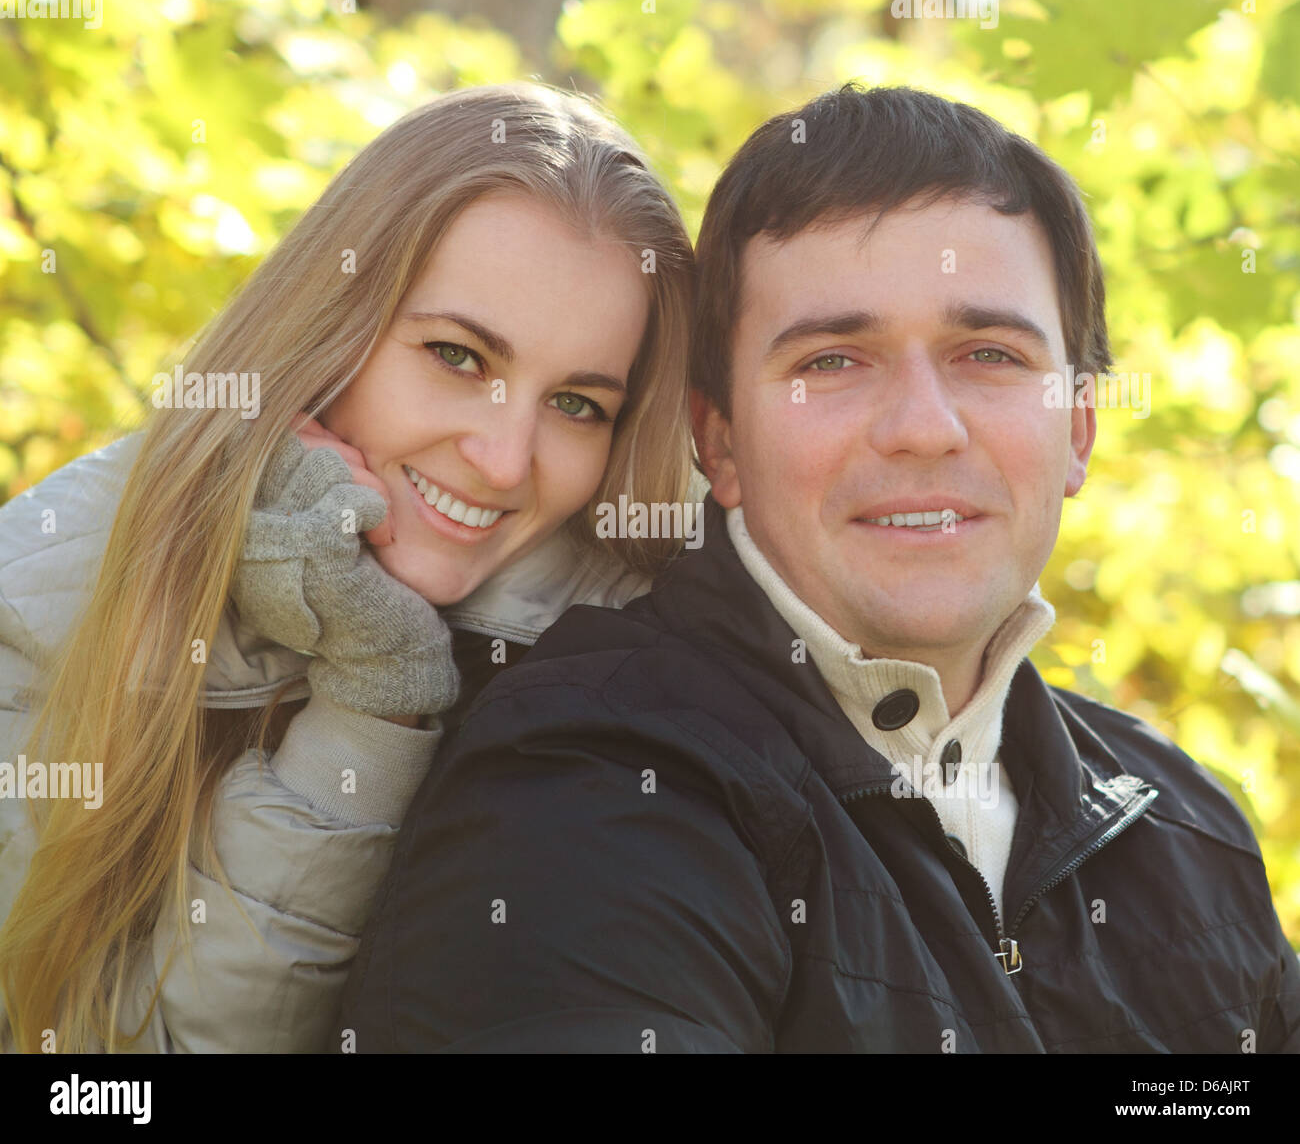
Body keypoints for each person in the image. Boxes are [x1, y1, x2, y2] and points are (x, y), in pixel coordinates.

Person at [340, 84, 1300, 1053]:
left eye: (989, 355)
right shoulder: (589, 779)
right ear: (717, 442)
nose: (924, 427)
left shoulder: (1186, 828)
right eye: (833, 362)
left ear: (1079, 428)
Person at [0, 82, 694, 1052]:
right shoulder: (44, 597)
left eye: (576, 404)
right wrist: (374, 703)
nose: (503, 460)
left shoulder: (629, 647)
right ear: (331, 327)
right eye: (456, 355)